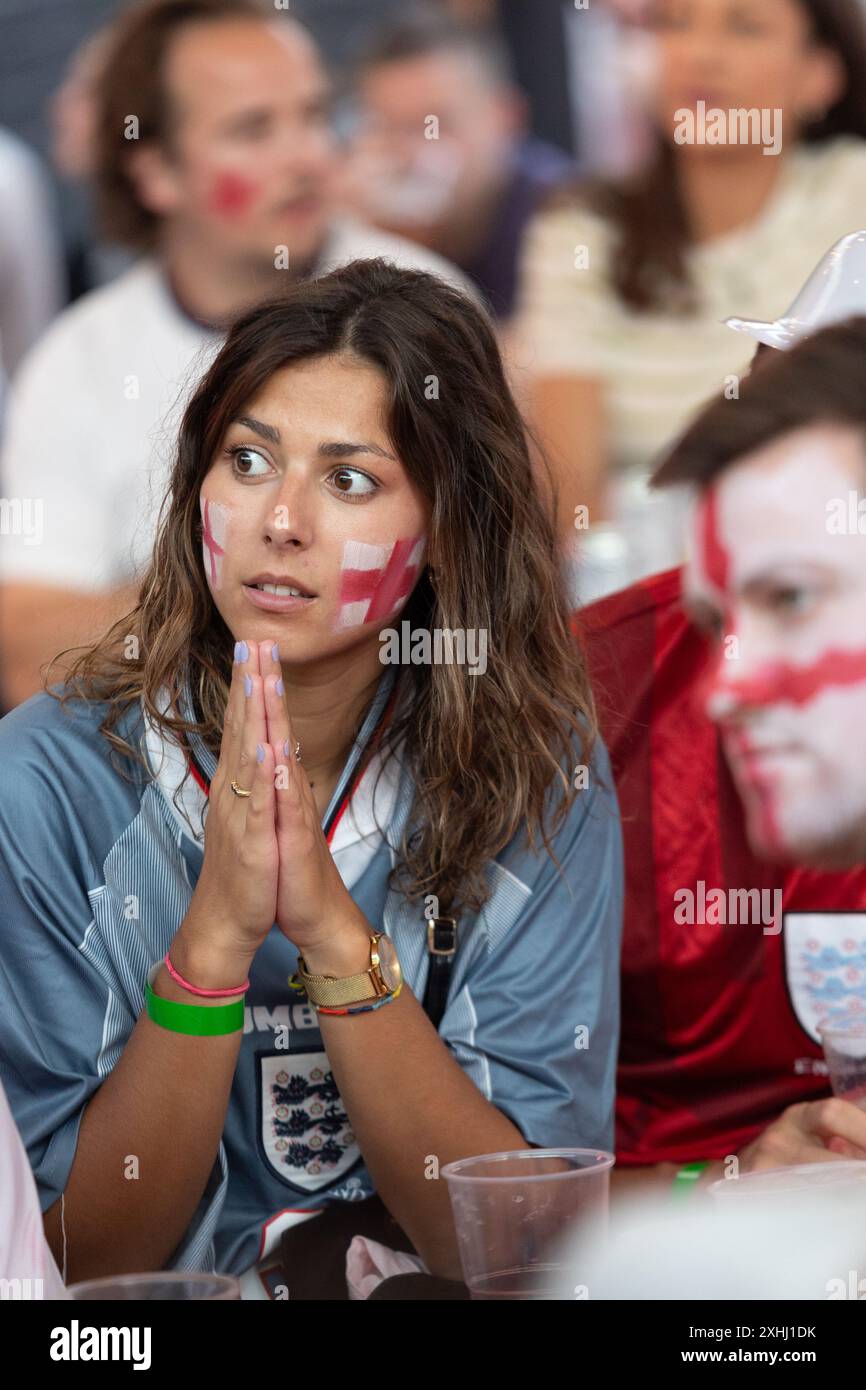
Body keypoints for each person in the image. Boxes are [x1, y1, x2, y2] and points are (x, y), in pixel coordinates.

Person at [0, 259, 623, 1293]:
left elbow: (521, 1252)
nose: (278, 520)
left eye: (348, 480)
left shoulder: (538, 770)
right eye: (247, 461)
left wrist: (334, 936)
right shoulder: (41, 780)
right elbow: (72, 1262)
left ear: (443, 534)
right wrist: (212, 943)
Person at [0, 0, 473, 712]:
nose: (308, 155)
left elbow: (486, 599)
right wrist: (258, 582)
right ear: (156, 170)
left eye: (316, 116)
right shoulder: (75, 364)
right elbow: (29, 655)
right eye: (254, 128)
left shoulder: (435, 314)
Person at [628, 314, 866, 1190]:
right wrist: (726, 1192)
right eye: (718, 620)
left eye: (794, 599)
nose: (724, 690)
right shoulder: (603, 679)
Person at [514, 0, 866, 577]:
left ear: (819, 75)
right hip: (643, 590)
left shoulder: (855, 199)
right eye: (675, 23)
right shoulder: (581, 227)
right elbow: (575, 499)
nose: (699, 54)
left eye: (744, 27)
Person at [342, 6, 573, 325]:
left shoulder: (563, 213)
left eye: (437, 125)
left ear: (509, 118)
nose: (412, 154)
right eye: (390, 128)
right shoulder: (351, 225)